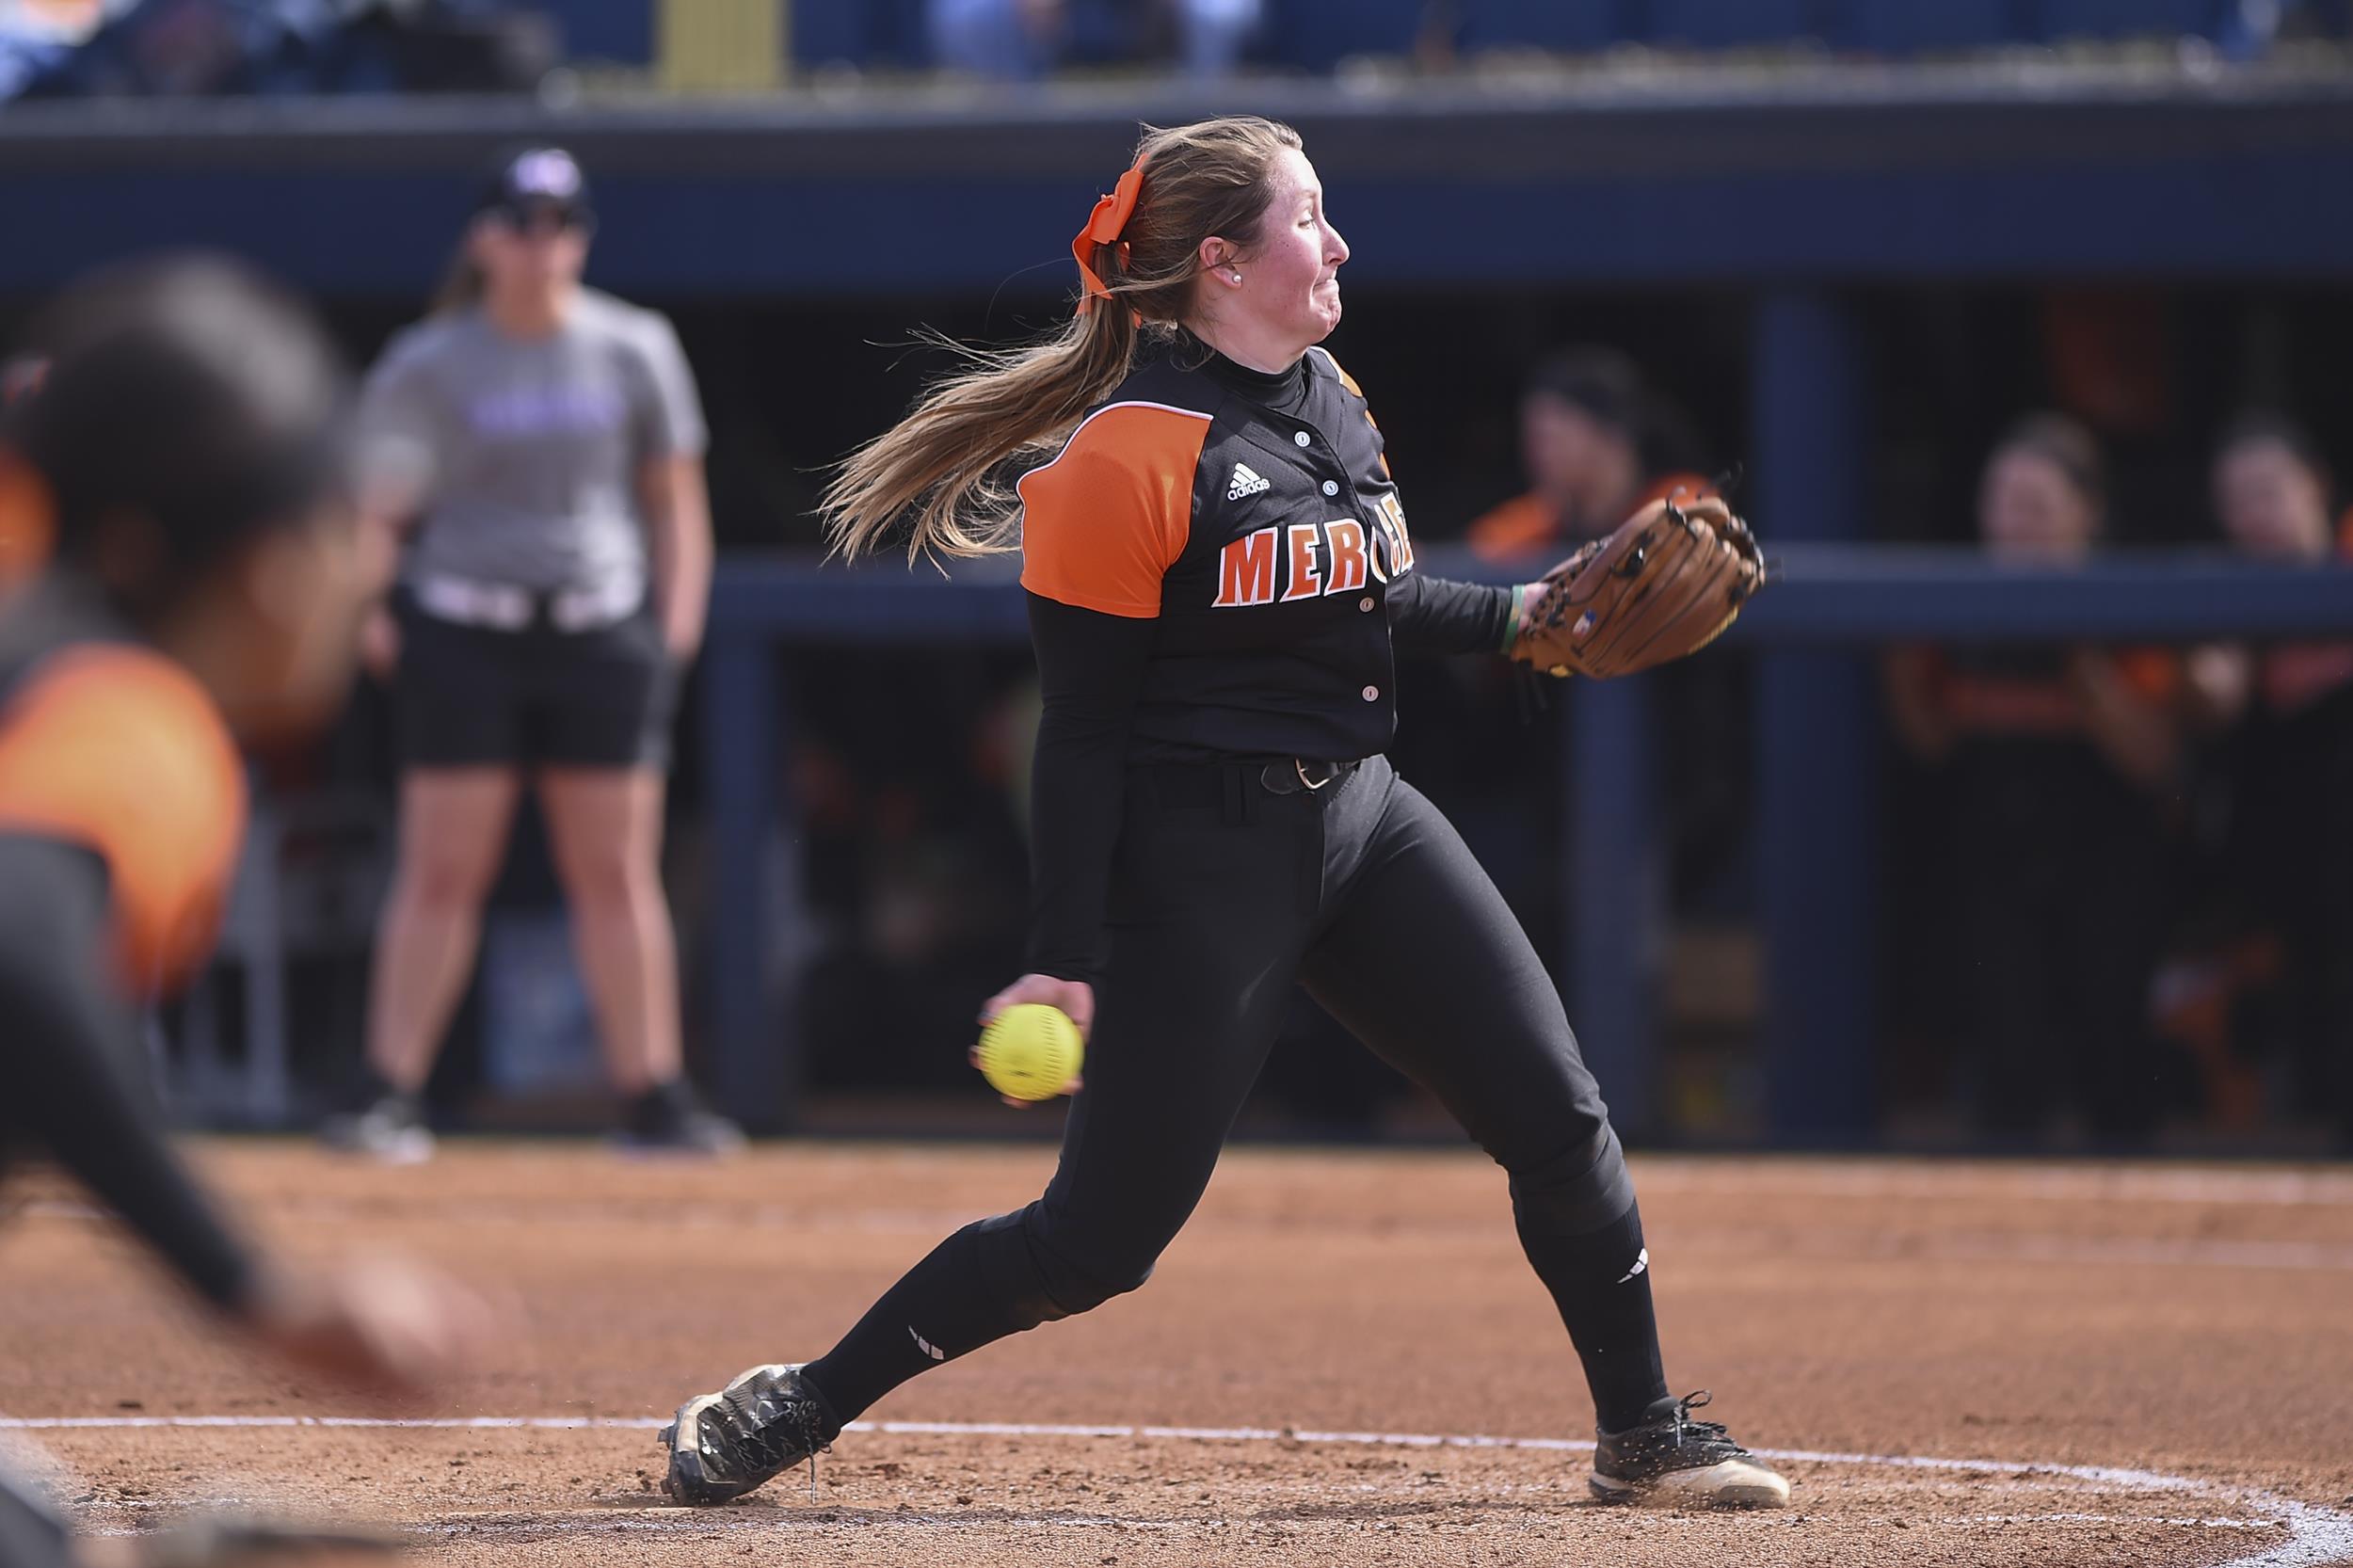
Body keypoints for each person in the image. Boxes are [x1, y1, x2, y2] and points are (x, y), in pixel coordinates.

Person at [656, 115, 1787, 1510]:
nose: (1339, 242)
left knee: (1559, 1117)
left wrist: (1516, 619)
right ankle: (802, 1400)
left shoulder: (1332, 392)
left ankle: (1645, 1429)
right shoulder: (1123, 457)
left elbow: (1363, 595)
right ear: (1218, 261)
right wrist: (1062, 957)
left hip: (1369, 819)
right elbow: (1075, 738)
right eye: (1311, 219)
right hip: (1206, 861)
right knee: (1095, 1242)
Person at [0, 256, 493, 1568]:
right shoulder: (126, 719)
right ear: (272, 568)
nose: (367, 562)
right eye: (347, 524)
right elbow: (17, 954)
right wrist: (255, 1289)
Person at [322, 146, 739, 1160]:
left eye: (562, 222)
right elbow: (375, 511)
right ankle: (391, 1090)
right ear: (482, 235)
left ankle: (651, 1091)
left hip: (599, 626)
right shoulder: (428, 361)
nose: (542, 241)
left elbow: (674, 501)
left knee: (613, 869)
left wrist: (673, 626)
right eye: (521, 220)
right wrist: (369, 612)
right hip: (465, 627)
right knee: (441, 868)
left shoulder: (635, 345)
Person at [1883, 413, 2185, 1141]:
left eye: (2037, 506)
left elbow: (2158, 760)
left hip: (2105, 853)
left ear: (2089, 513)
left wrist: (2078, 655)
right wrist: (1896, 655)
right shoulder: (1958, 608)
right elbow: (1930, 743)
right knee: (2006, 1049)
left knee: (2111, 1042)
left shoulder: (2127, 604)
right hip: (1994, 850)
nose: (2013, 523)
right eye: (2002, 503)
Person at [2187, 414, 2353, 1144]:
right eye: (2235, 500)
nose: (2252, 514)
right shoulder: (2224, 597)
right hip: (2285, 879)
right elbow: (2213, 707)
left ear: (2316, 485)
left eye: (2268, 490)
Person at [1466, 347, 1711, 563]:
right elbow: (1466, 561)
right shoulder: (1546, 515)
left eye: (1549, 438)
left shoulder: (1681, 500)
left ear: (1610, 436)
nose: (1534, 452)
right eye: (1530, 438)